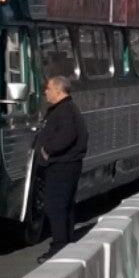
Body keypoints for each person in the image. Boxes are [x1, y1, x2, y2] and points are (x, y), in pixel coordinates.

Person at [35, 74, 88, 260]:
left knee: (55, 206)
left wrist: (47, 150)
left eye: (48, 88)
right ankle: (66, 240)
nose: (45, 92)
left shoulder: (65, 111)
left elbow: (67, 136)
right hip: (64, 164)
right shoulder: (63, 108)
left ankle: (59, 245)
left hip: (62, 165)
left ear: (58, 90)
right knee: (64, 205)